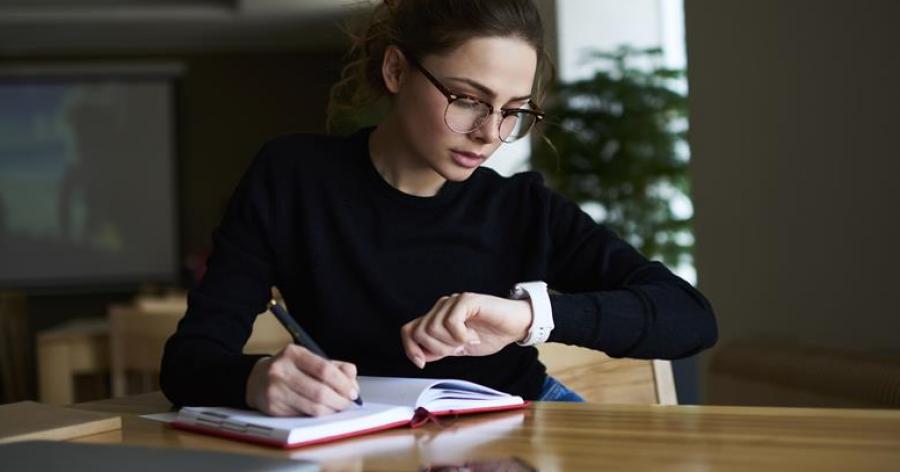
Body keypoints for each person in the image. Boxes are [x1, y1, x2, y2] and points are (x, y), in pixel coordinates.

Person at [160, 0, 717, 417]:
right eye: (468, 99)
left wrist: (528, 318)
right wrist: (255, 381)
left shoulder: (521, 207)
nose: (488, 134)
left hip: (522, 420)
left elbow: (690, 317)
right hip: (366, 431)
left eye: (512, 110)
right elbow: (189, 362)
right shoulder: (292, 178)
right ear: (397, 71)